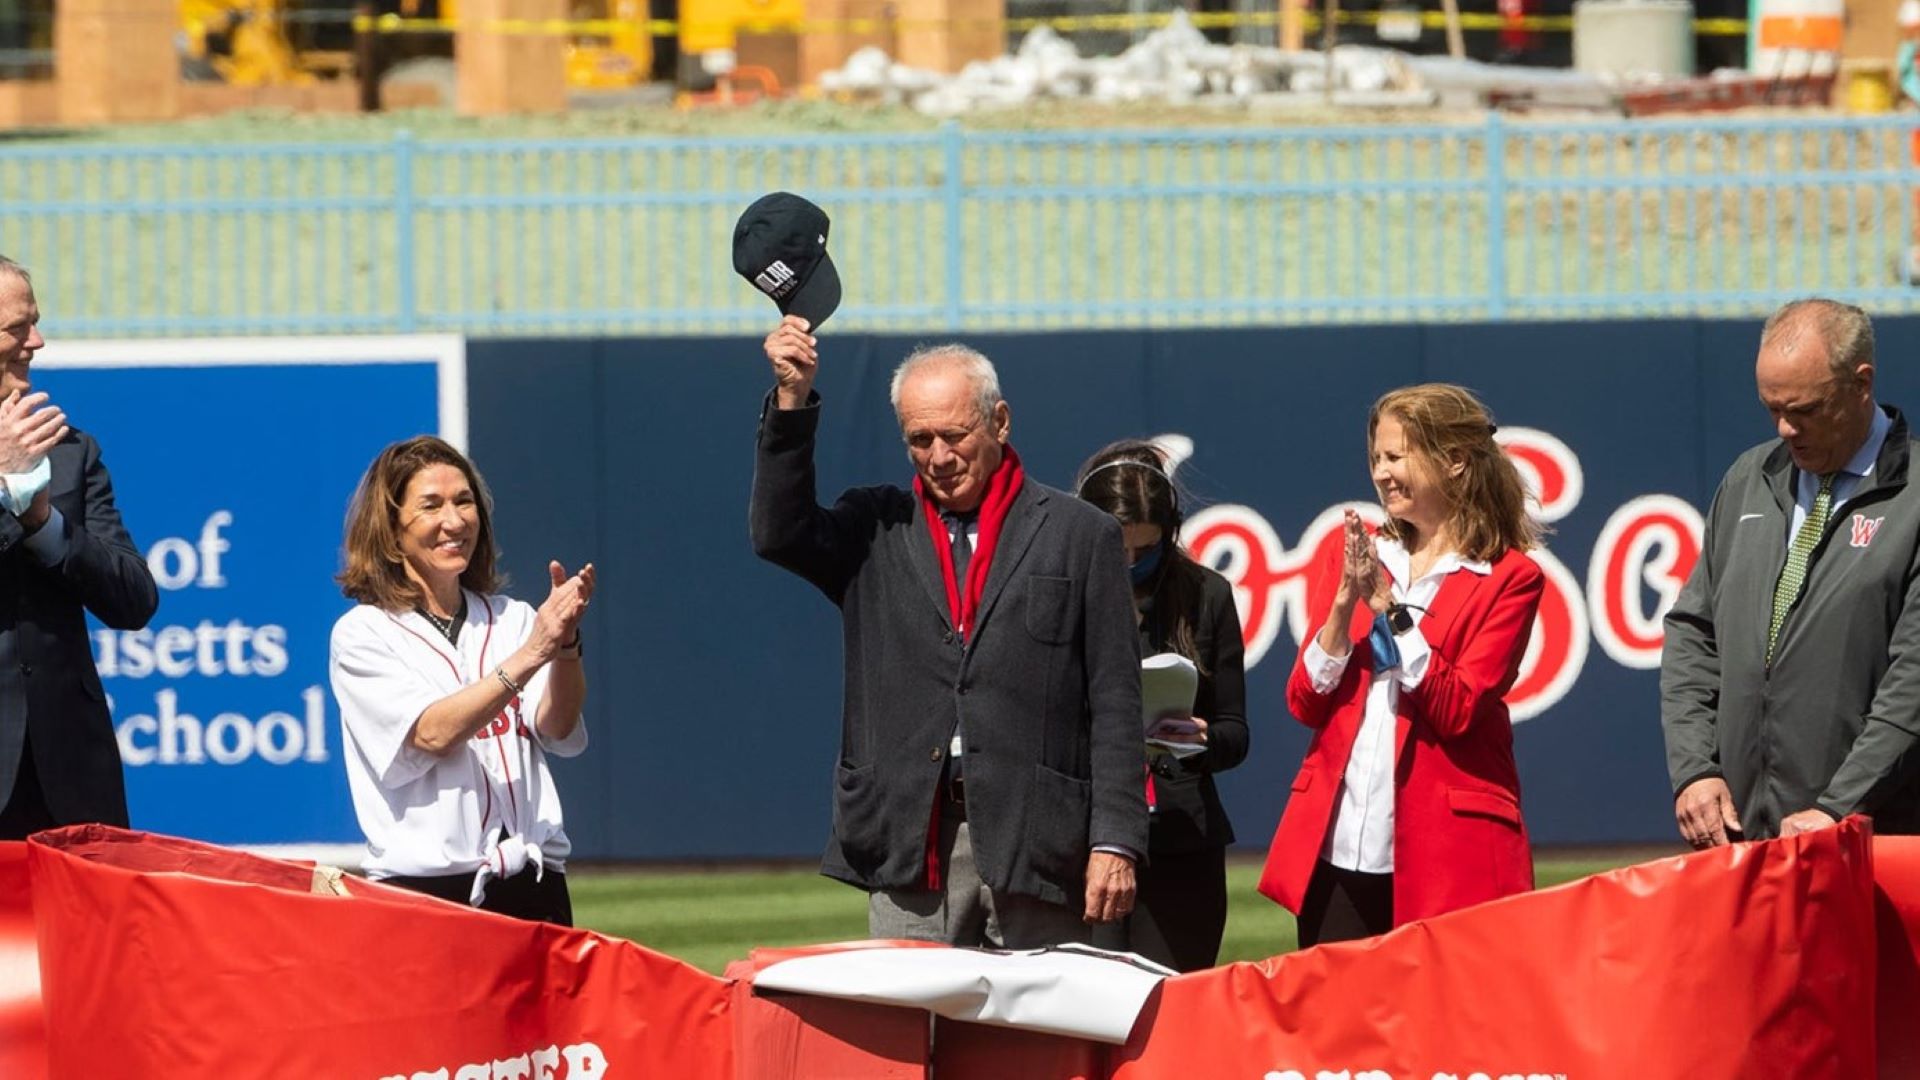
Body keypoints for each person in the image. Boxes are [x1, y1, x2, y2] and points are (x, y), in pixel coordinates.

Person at [751, 315, 1147, 948]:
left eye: (955, 435)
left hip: (1039, 844)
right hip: (911, 843)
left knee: (1034, 1044)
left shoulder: (1081, 535)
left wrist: (1116, 839)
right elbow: (778, 532)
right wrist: (792, 401)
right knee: (914, 1044)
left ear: (1000, 421)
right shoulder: (874, 526)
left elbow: (1118, 704)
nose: (938, 457)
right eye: (919, 439)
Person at [1258, 383, 1542, 947]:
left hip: (1446, 854)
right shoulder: (1356, 555)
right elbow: (1305, 701)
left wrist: (1387, 608)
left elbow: (1457, 708)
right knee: (1334, 1027)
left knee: (1439, 1029)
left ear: (1455, 462)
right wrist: (1343, 606)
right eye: (1376, 459)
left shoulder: (1511, 578)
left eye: (1396, 456)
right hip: (1337, 845)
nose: (1382, 473)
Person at [1663, 299, 1920, 847]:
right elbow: (1693, 633)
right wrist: (1695, 770)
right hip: (1743, 842)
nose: (1784, 428)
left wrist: (1837, 807)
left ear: (1861, 384)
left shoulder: (1915, 496)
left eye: (1803, 409)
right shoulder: (1748, 479)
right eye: (1771, 409)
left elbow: (1913, 682)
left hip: (1870, 841)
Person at [329, 435, 594, 924]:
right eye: (431, 505)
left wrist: (565, 646)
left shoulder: (510, 617)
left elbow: (556, 727)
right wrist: (535, 650)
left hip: (534, 885)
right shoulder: (364, 633)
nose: (454, 520)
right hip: (424, 896)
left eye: (464, 501)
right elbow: (433, 732)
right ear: (391, 531)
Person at [0, 256, 159, 840]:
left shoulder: (69, 452)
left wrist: (41, 517)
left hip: (72, 780)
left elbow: (134, 598)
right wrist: (5, 493)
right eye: (17, 328)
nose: (36, 342)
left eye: (35, 322)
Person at [1076, 440, 1247, 972]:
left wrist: (1197, 738)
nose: (1130, 564)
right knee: (1082, 1019)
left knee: (1174, 1012)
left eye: (1145, 551)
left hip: (1180, 839)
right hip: (1082, 834)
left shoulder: (1206, 594)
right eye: (1115, 549)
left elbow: (1234, 733)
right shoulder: (1061, 588)